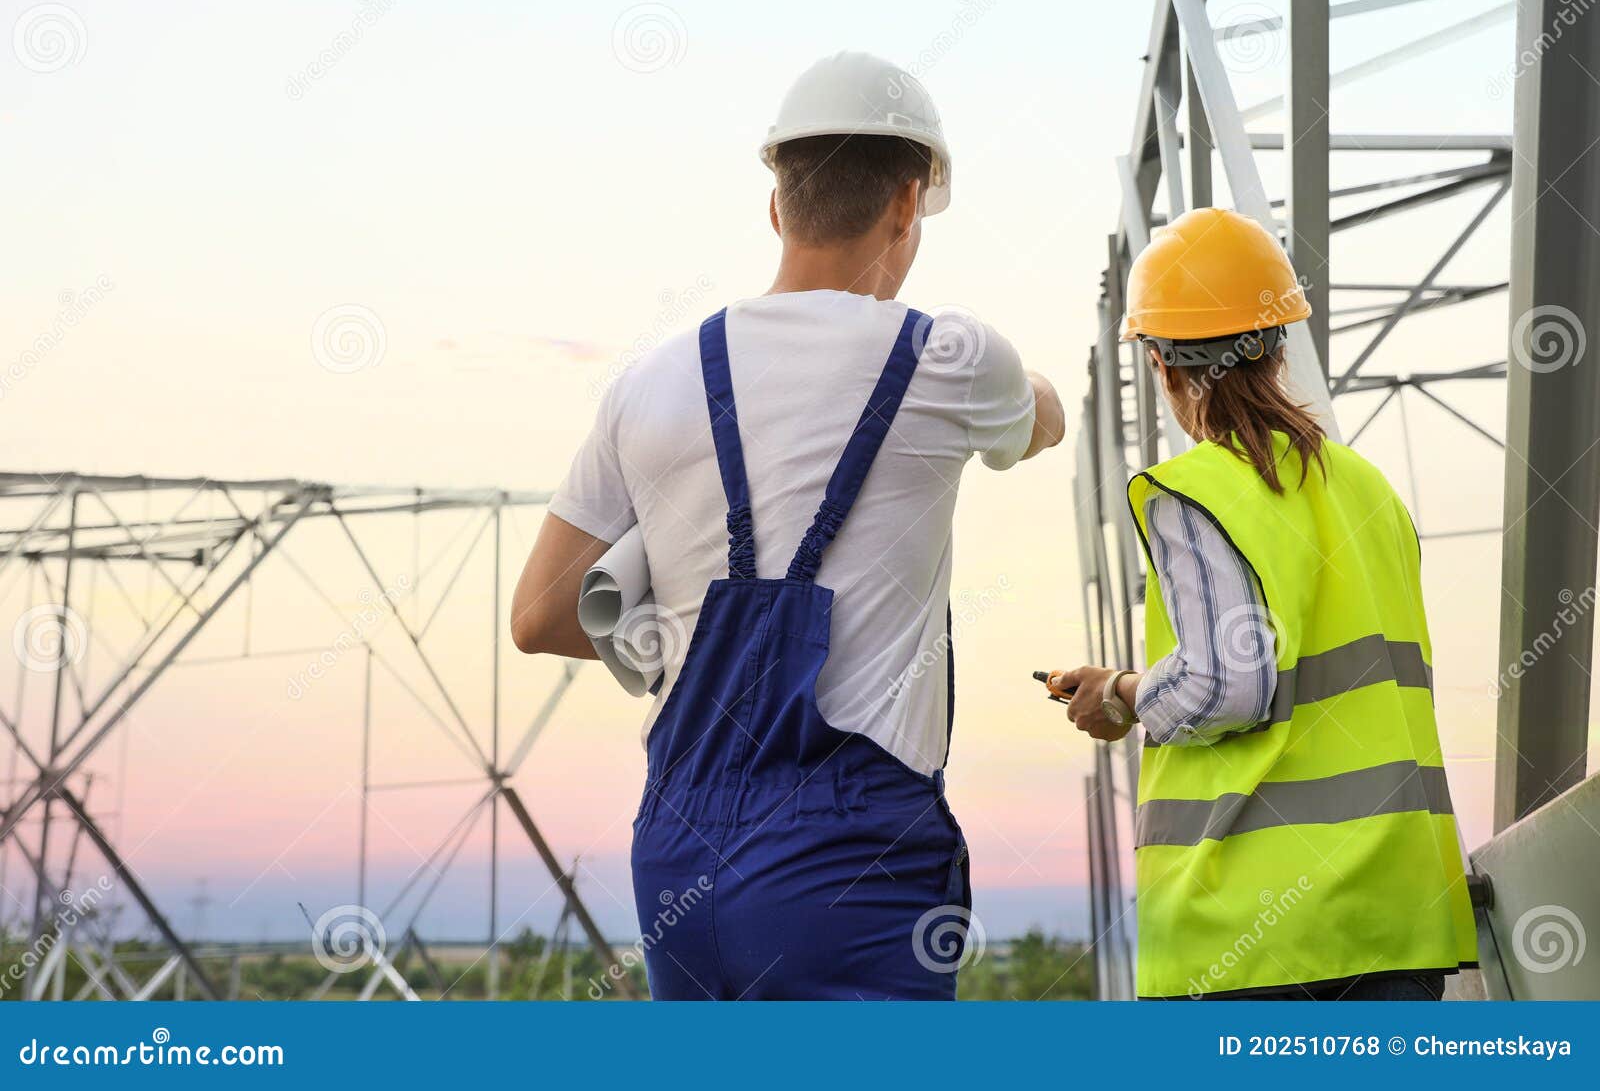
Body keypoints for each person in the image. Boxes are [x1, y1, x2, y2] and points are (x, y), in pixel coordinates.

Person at [510, 51, 1064, 999]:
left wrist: (663, 631)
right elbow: (1045, 421)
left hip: (679, 844)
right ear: (904, 202)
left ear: (778, 205)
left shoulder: (646, 384)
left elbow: (539, 617)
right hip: (847, 855)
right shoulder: (953, 357)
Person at [1049, 207, 1477, 1000]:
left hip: (1259, 937)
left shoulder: (1194, 491)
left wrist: (1123, 693)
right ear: (1279, 348)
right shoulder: (1368, 490)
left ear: (1163, 365)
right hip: (1397, 914)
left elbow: (1226, 685)